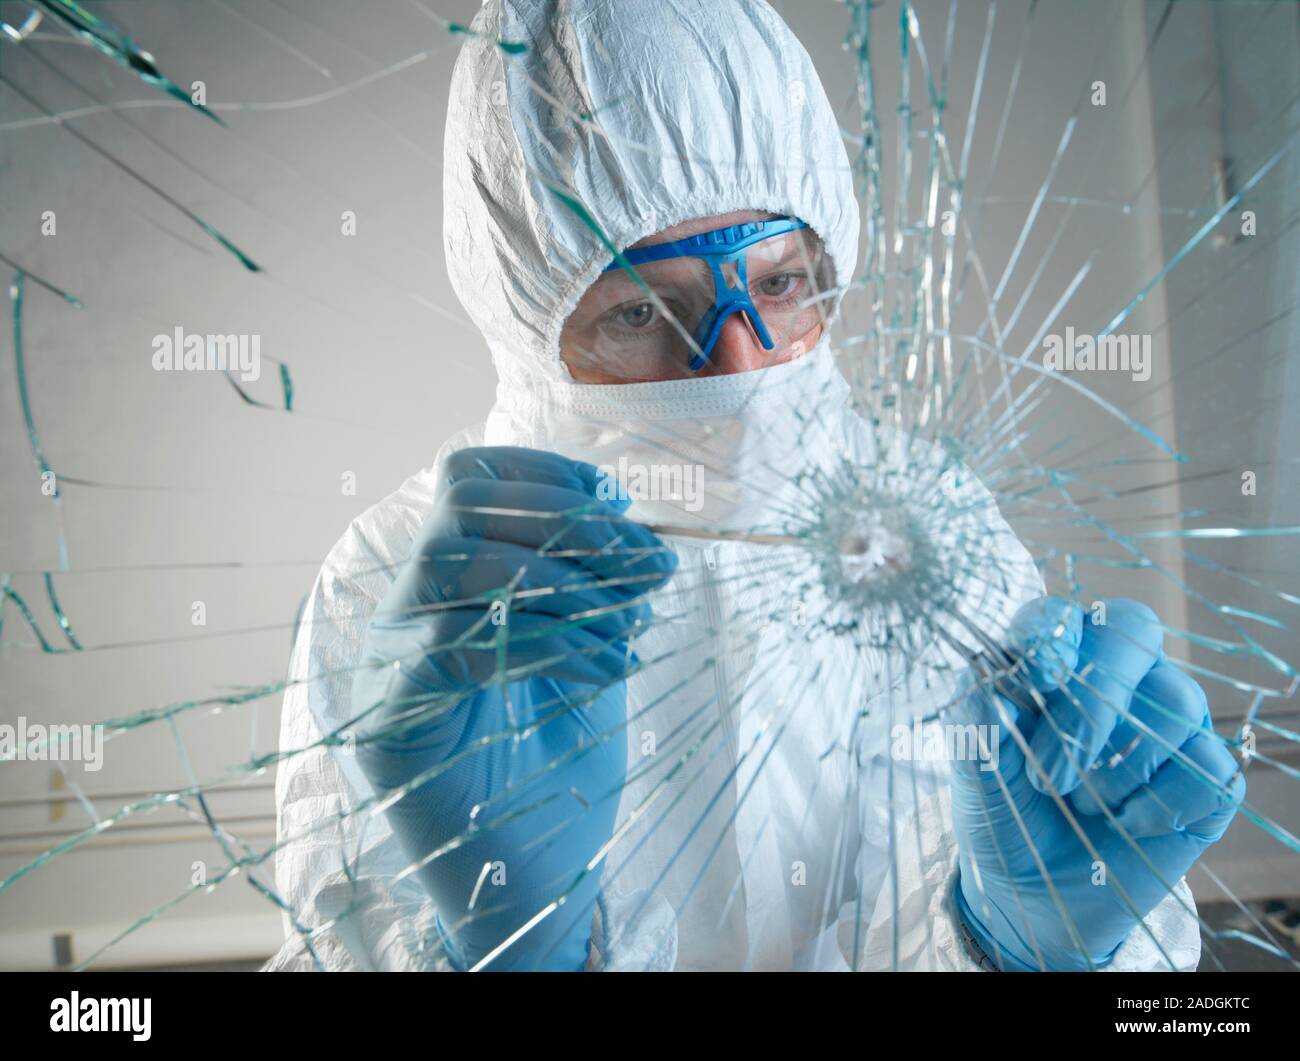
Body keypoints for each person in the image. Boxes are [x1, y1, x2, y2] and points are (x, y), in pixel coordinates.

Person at [268, 0, 1242, 972]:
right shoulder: (410, 580)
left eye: (776, 285)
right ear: (528, 318)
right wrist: (500, 943)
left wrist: (1021, 944)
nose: (737, 364)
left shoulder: (932, 526)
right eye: (642, 310)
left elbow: (1102, 912)